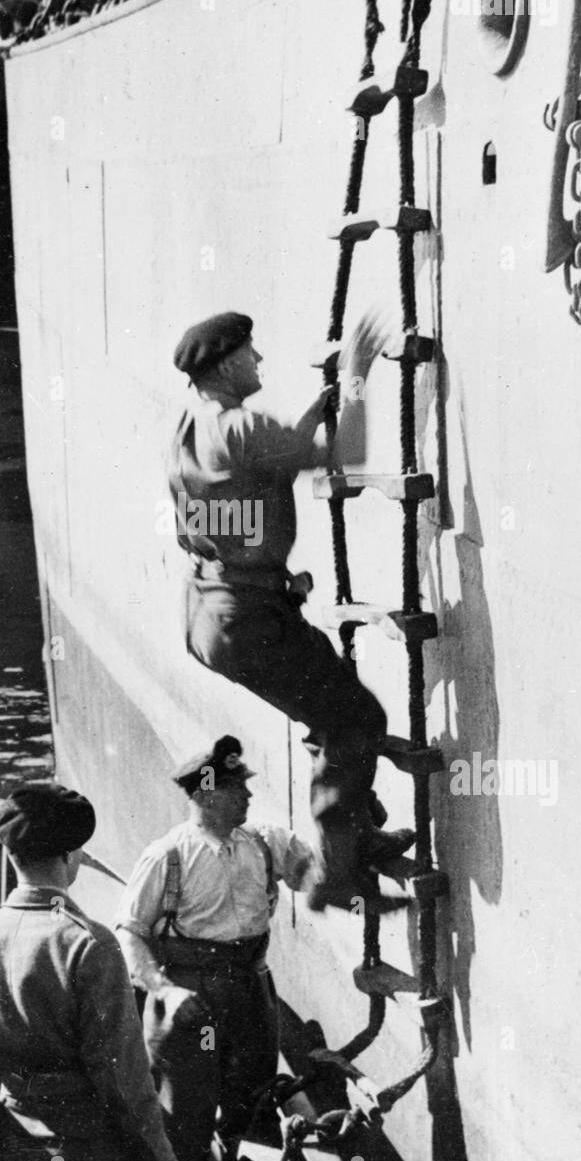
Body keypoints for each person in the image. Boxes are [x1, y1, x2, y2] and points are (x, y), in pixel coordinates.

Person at [167, 310, 414, 910]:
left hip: (211, 608)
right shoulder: (242, 426)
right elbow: (348, 453)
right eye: (251, 354)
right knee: (356, 720)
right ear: (227, 365)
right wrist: (355, 378)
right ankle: (334, 870)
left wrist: (270, 575)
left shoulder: (191, 426)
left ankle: (355, 836)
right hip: (247, 620)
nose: (259, 363)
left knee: (325, 707)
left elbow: (237, 496)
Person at [0, 782, 178, 1161]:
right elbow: (122, 1077)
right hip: (84, 1145)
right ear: (70, 858)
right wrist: (162, 1159)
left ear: (10, 853)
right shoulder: (89, 944)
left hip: (7, 1139)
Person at [116, 734, 315, 1161]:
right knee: (186, 1109)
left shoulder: (264, 842)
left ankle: (231, 1156)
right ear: (207, 794)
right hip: (191, 998)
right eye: (236, 787)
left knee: (253, 1094)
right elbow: (129, 933)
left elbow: (317, 880)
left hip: (252, 991)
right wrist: (163, 992)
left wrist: (353, 841)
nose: (248, 794)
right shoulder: (167, 857)